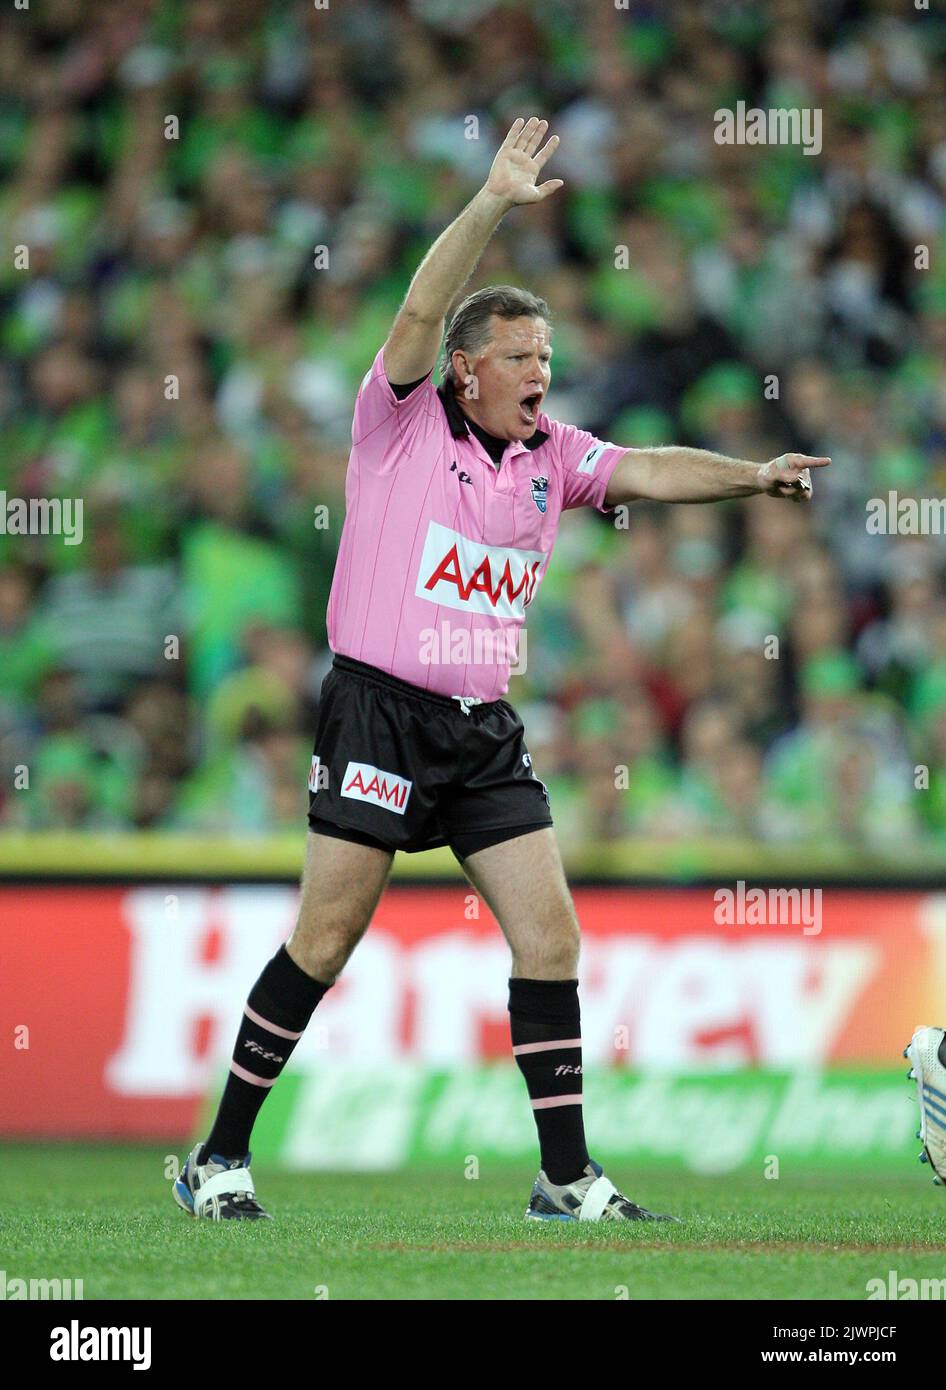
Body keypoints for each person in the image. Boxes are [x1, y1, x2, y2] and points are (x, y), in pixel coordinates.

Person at [173, 117, 830, 1223]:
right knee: (325, 938)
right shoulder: (397, 424)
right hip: (378, 714)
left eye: (547, 357)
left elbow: (650, 469)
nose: (541, 373)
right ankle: (217, 1159)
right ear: (466, 368)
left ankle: (563, 1178)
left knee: (551, 936)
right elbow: (418, 312)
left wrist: (753, 475)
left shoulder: (552, 455)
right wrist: (490, 202)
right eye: (521, 357)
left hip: (480, 728)